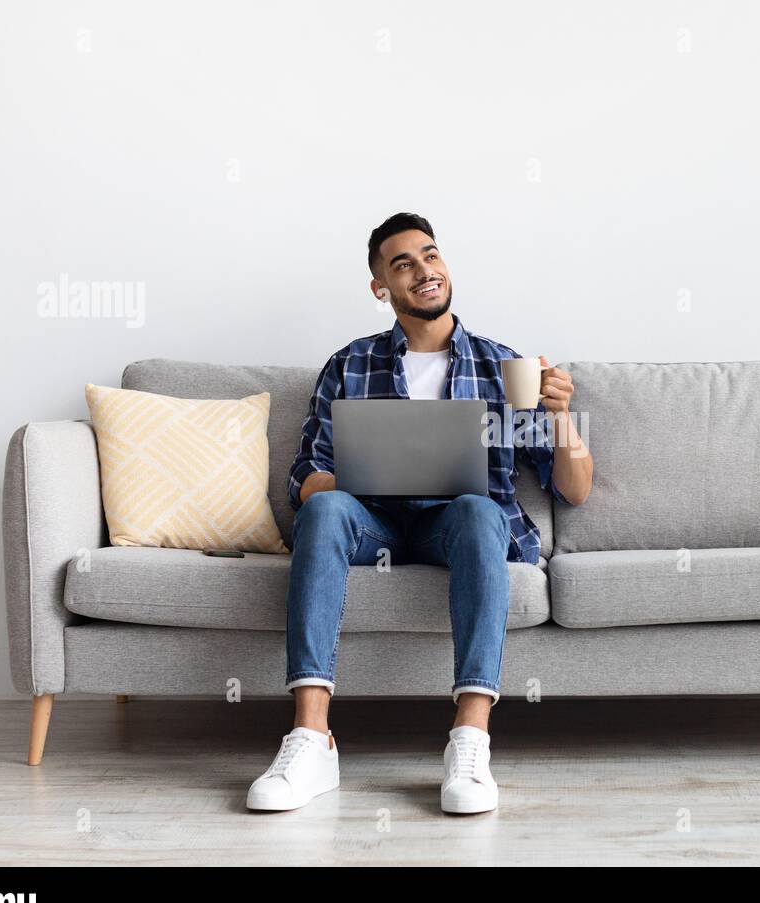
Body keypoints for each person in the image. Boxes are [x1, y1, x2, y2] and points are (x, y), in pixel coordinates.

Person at [247, 212, 594, 814]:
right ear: (381, 288)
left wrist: (562, 416)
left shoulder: (503, 366)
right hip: (371, 523)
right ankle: (311, 740)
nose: (422, 270)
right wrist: (367, 476)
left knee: (480, 511)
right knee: (326, 509)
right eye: (401, 263)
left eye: (430, 256)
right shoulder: (350, 365)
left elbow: (574, 490)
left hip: (454, 529)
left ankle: (471, 740)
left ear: (446, 266)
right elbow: (304, 477)